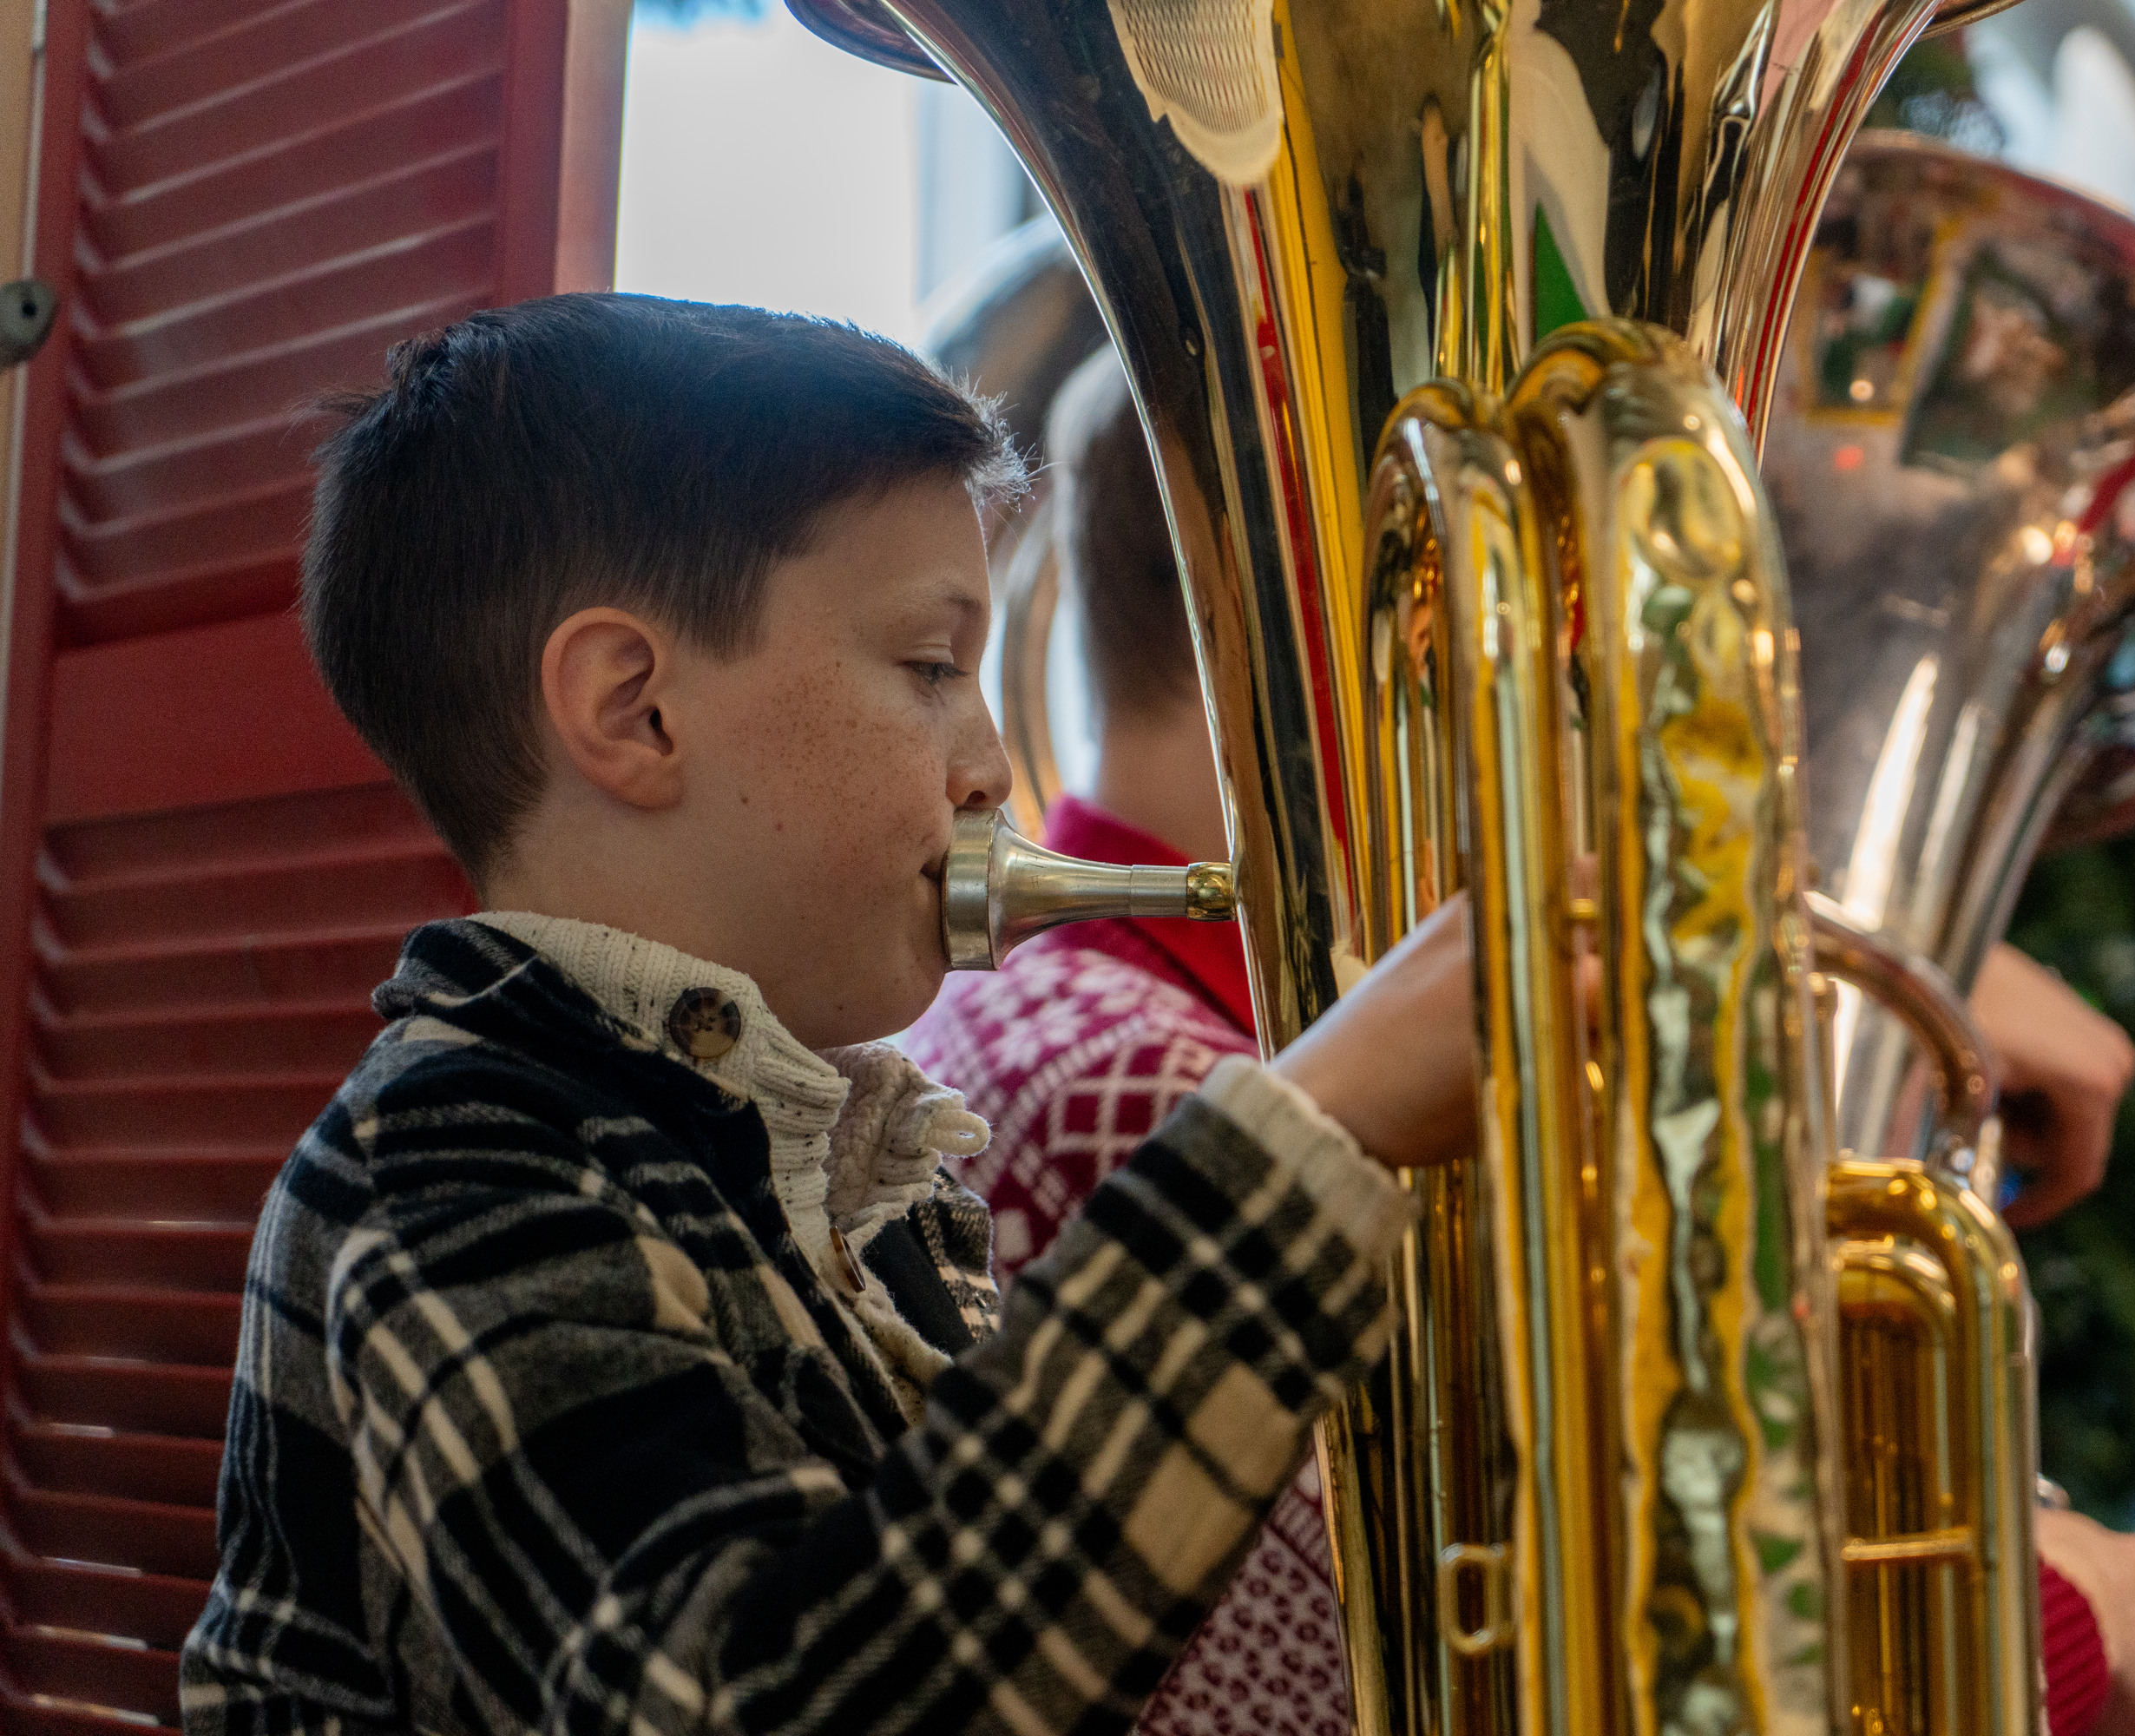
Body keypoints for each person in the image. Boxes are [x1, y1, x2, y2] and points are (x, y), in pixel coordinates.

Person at [179, 295, 1486, 1736]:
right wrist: (1310, 1141)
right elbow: (766, 1702)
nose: (993, 763)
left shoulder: (856, 1164)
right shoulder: (443, 1170)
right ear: (635, 710)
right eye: (931, 666)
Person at [907, 346, 2135, 1736]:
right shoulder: (1140, 1086)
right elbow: (1499, 1697)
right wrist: (2054, 1634)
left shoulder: (1137, 1019)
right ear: (1420, 607)